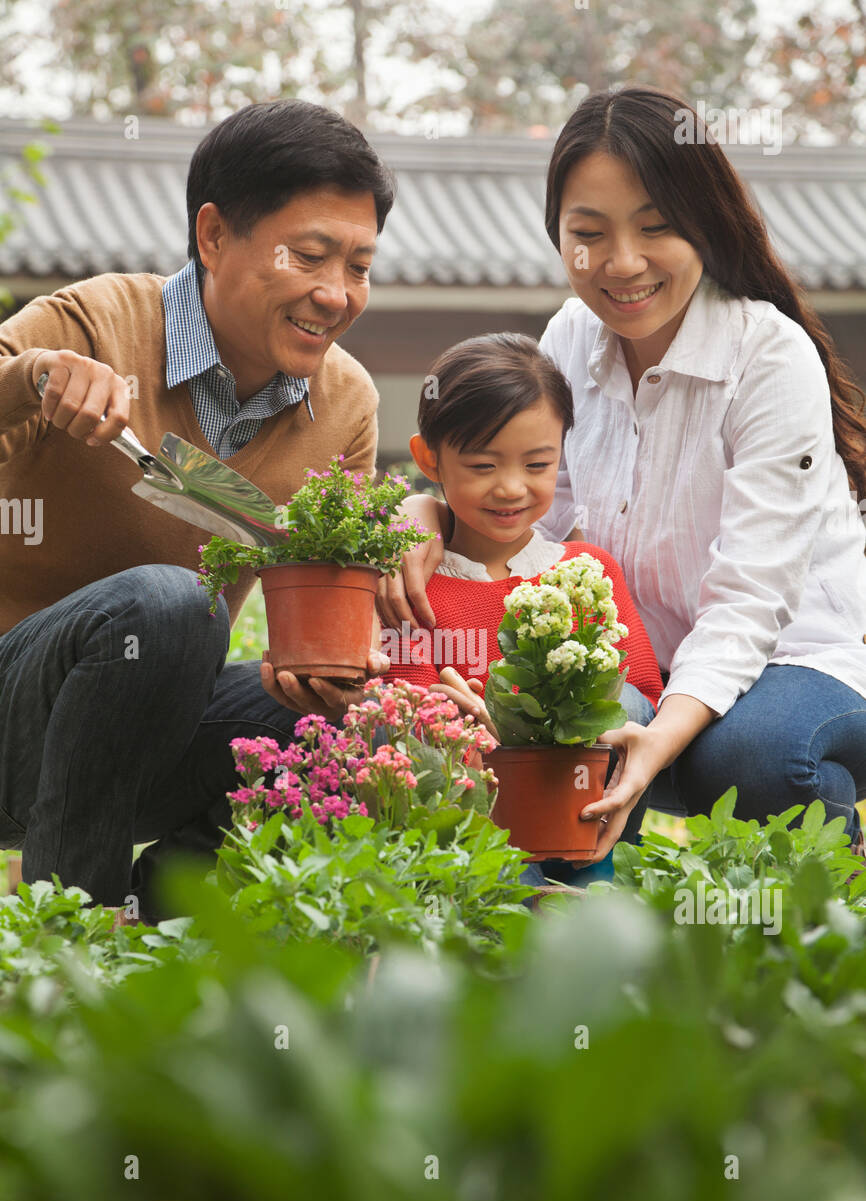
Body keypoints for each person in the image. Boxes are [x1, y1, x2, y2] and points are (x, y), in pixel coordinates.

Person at [386, 86, 866, 864]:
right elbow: (530, 522)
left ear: (704, 224)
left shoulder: (769, 358)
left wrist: (658, 736)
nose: (623, 264)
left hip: (798, 659)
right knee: (563, 722)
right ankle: (563, 915)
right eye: (589, 234)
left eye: (657, 228)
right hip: (642, 665)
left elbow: (751, 601)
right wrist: (429, 514)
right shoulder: (572, 339)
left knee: (747, 757)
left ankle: (833, 899)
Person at [0, 99, 396, 922]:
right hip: (15, 716)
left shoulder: (348, 402)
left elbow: (324, 606)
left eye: (358, 265)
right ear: (213, 236)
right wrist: (34, 378)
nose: (336, 293)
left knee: (358, 723)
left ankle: (173, 923)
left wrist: (344, 675)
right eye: (311, 255)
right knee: (175, 603)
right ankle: (72, 933)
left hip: (149, 728)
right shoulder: (94, 323)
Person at [382, 331, 663, 884]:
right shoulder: (412, 581)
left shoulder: (587, 572)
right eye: (483, 466)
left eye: (537, 465)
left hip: (583, 826)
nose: (511, 488)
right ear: (428, 458)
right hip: (465, 829)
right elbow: (405, 708)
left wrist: (516, 729)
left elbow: (640, 698)